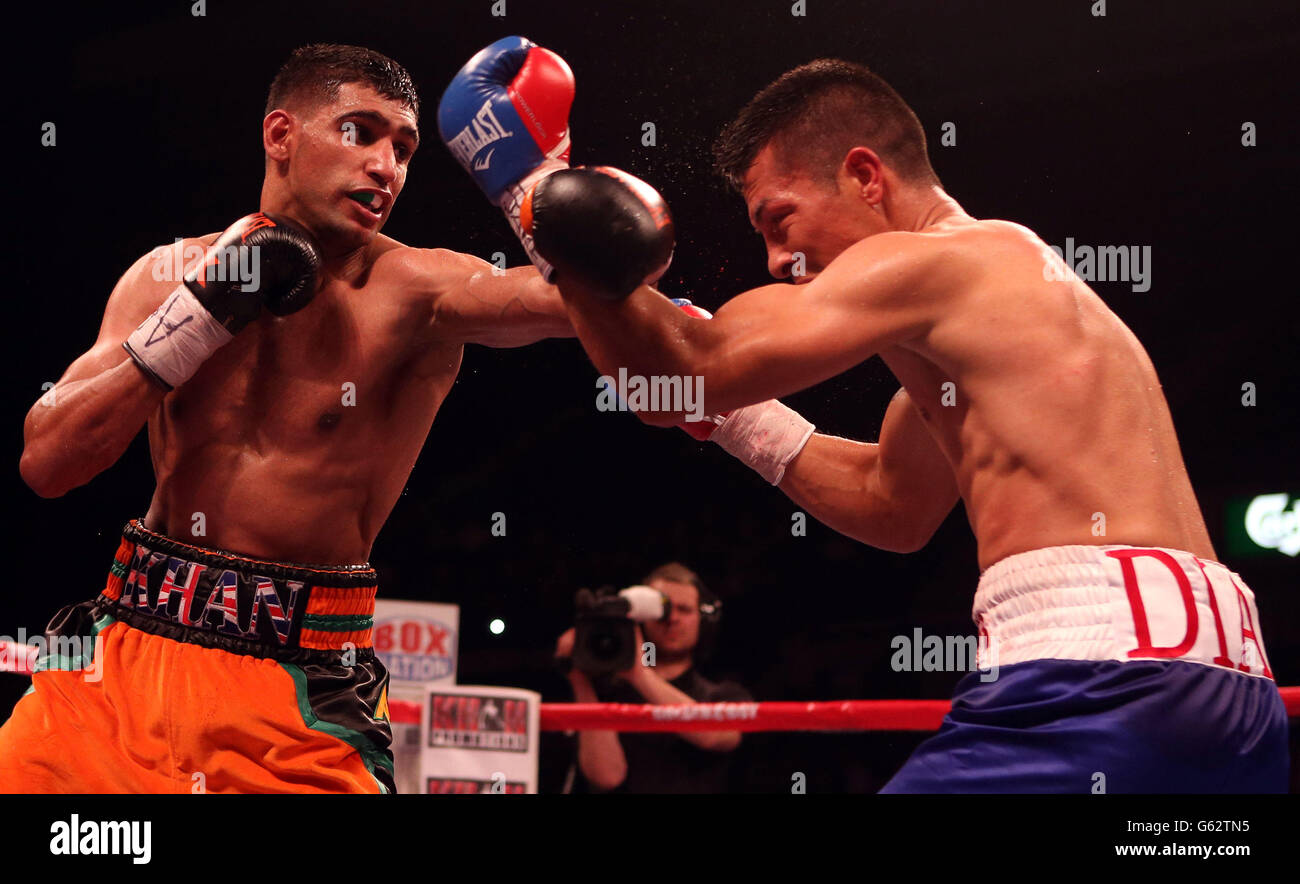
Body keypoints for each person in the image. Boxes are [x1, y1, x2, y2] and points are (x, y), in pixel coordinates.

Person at [466, 52, 1288, 792]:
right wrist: (735, 421)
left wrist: (529, 187)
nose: (775, 262)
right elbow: (890, 506)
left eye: (778, 219)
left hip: (1096, 680)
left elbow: (680, 368)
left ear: (865, 175)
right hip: (1227, 688)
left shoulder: (944, 260)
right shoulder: (1006, 306)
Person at [1, 42, 577, 793]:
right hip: (118, 659)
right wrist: (196, 320)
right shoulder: (170, 275)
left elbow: (600, 306)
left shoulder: (420, 292)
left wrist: (543, 186)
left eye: (403, 149)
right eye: (360, 132)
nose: (386, 166)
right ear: (281, 136)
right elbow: (47, 463)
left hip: (299, 689)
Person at [555, 563, 751, 793]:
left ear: (703, 620)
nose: (672, 619)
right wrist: (578, 674)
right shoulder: (607, 694)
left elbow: (714, 736)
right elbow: (606, 778)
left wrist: (640, 674)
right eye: (663, 610)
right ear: (642, 619)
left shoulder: (725, 694)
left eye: (684, 609)